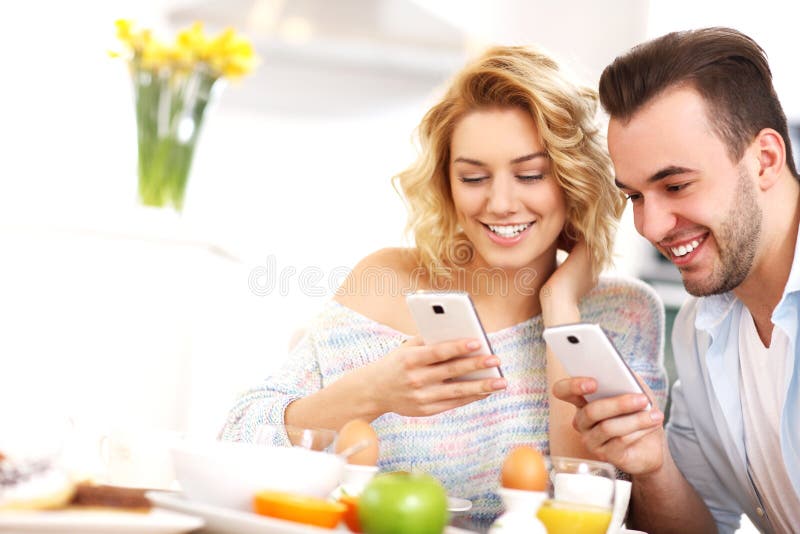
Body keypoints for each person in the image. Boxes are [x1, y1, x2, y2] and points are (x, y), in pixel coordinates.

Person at [220, 45, 667, 527]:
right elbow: (239, 436)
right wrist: (373, 391)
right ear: (446, 184)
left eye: (530, 174)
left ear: (572, 178)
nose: (500, 202)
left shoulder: (623, 312)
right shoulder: (387, 282)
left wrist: (560, 309)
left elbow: (598, 505)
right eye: (473, 177)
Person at [554, 27, 800, 534]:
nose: (650, 226)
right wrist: (653, 464)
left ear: (765, 160)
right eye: (635, 196)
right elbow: (705, 525)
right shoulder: (700, 328)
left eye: (676, 185)